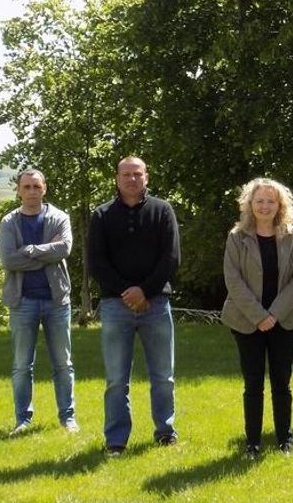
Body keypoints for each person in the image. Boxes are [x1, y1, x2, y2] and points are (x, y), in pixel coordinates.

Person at [87, 156, 181, 455]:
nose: (131, 179)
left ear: (146, 177)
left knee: (163, 377)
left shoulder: (162, 210)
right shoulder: (101, 215)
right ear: (117, 178)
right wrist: (126, 293)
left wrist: (145, 290)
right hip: (116, 306)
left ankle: (165, 432)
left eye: (137, 174)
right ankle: (116, 440)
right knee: (116, 380)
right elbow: (96, 262)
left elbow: (171, 257)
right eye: (125, 174)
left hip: (157, 304)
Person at [221, 178, 293, 457]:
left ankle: (286, 439)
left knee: (282, 382)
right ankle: (253, 443)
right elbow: (232, 280)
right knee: (253, 383)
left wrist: (273, 314)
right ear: (250, 204)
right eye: (259, 201)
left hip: (284, 320)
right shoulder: (237, 236)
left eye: (271, 201)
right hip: (247, 321)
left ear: (280, 204)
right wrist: (259, 316)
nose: (265, 206)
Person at [0, 168, 77, 434]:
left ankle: (68, 417)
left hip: (56, 300)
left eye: (36, 186)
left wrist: (29, 251)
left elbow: (64, 249)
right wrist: (46, 253)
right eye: (26, 187)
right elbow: (8, 260)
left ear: (44, 189)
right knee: (22, 365)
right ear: (18, 190)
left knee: (63, 364)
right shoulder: (9, 222)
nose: (31, 192)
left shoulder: (59, 217)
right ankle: (23, 419)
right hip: (22, 301)